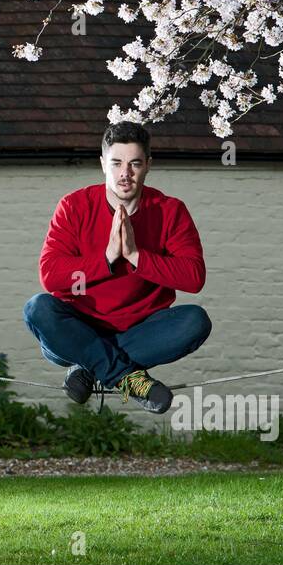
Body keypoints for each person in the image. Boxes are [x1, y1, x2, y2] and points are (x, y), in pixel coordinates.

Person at [23, 121, 212, 414]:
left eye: (135, 163)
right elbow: (51, 275)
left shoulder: (170, 210)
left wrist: (136, 256)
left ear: (148, 164)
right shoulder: (74, 206)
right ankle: (128, 379)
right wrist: (107, 258)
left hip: (141, 330)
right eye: (117, 163)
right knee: (38, 308)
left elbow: (193, 277)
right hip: (78, 325)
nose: (125, 173)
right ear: (103, 164)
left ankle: (89, 364)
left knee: (195, 321)